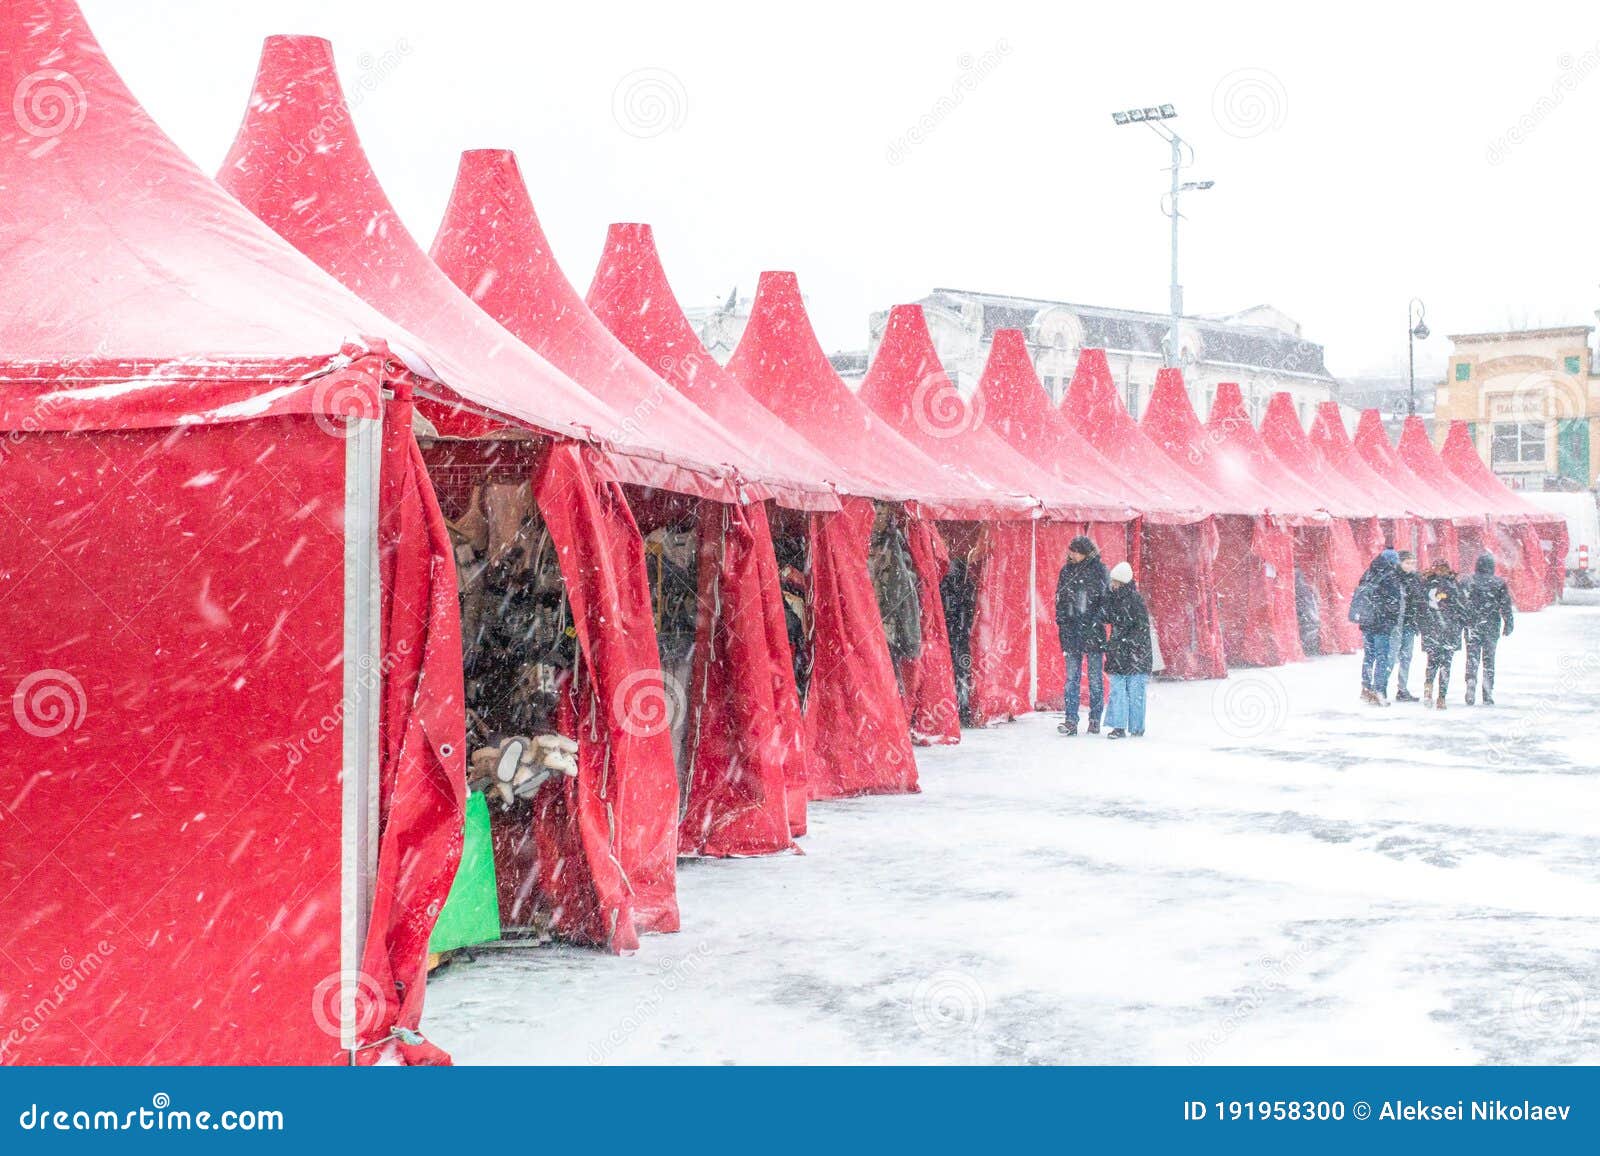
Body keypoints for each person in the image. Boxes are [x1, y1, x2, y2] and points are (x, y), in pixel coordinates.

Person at [1055, 535, 1108, 736]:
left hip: (1092, 632)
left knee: (1094, 679)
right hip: (1072, 632)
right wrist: (1062, 622)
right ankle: (1071, 719)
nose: (1071, 554)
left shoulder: (1099, 571)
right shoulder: (1066, 571)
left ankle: (1094, 719)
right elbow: (1060, 600)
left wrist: (1094, 621)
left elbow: (1105, 602)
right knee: (1072, 679)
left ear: (1084, 552)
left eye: (1074, 551)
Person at [1102, 561, 1153, 739]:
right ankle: (1130, 727)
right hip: (1130, 652)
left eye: (1115, 581)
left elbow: (1126, 625)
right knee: (1128, 690)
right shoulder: (1123, 598)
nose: (1112, 584)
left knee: (1126, 690)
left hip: (1128, 652)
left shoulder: (1132, 600)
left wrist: (1123, 645)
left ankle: (1122, 726)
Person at [1348, 548, 1405, 705]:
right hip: (1382, 624)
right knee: (1382, 657)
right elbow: (1394, 603)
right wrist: (1392, 620)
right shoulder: (1390, 577)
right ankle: (1379, 691)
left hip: (1367, 622)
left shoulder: (1368, 573)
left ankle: (1366, 688)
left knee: (1369, 656)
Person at [1460, 551, 1514, 705]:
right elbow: (1506, 606)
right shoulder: (1498, 583)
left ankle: (1471, 681)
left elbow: (1459, 603)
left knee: (1472, 657)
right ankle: (1487, 689)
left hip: (1472, 625)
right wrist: (1508, 623)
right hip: (1491, 626)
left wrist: (1461, 622)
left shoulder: (1467, 581)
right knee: (1489, 659)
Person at [1417, 559, 1465, 709]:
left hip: (1432, 631)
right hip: (1449, 630)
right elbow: (1461, 607)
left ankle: (1428, 690)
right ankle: (1441, 698)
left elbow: (1420, 608)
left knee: (1431, 663)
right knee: (1446, 665)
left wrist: (1422, 626)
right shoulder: (1453, 585)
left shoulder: (1425, 584)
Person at [1390, 551, 1423, 702]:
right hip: (1395, 623)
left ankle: (1402, 689)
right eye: (1407, 563)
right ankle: (1380, 688)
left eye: (1412, 563)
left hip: (1409, 623)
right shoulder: (1393, 578)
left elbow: (1419, 600)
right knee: (1391, 657)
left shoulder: (1416, 578)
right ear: (1400, 563)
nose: (1410, 566)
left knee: (1406, 657)